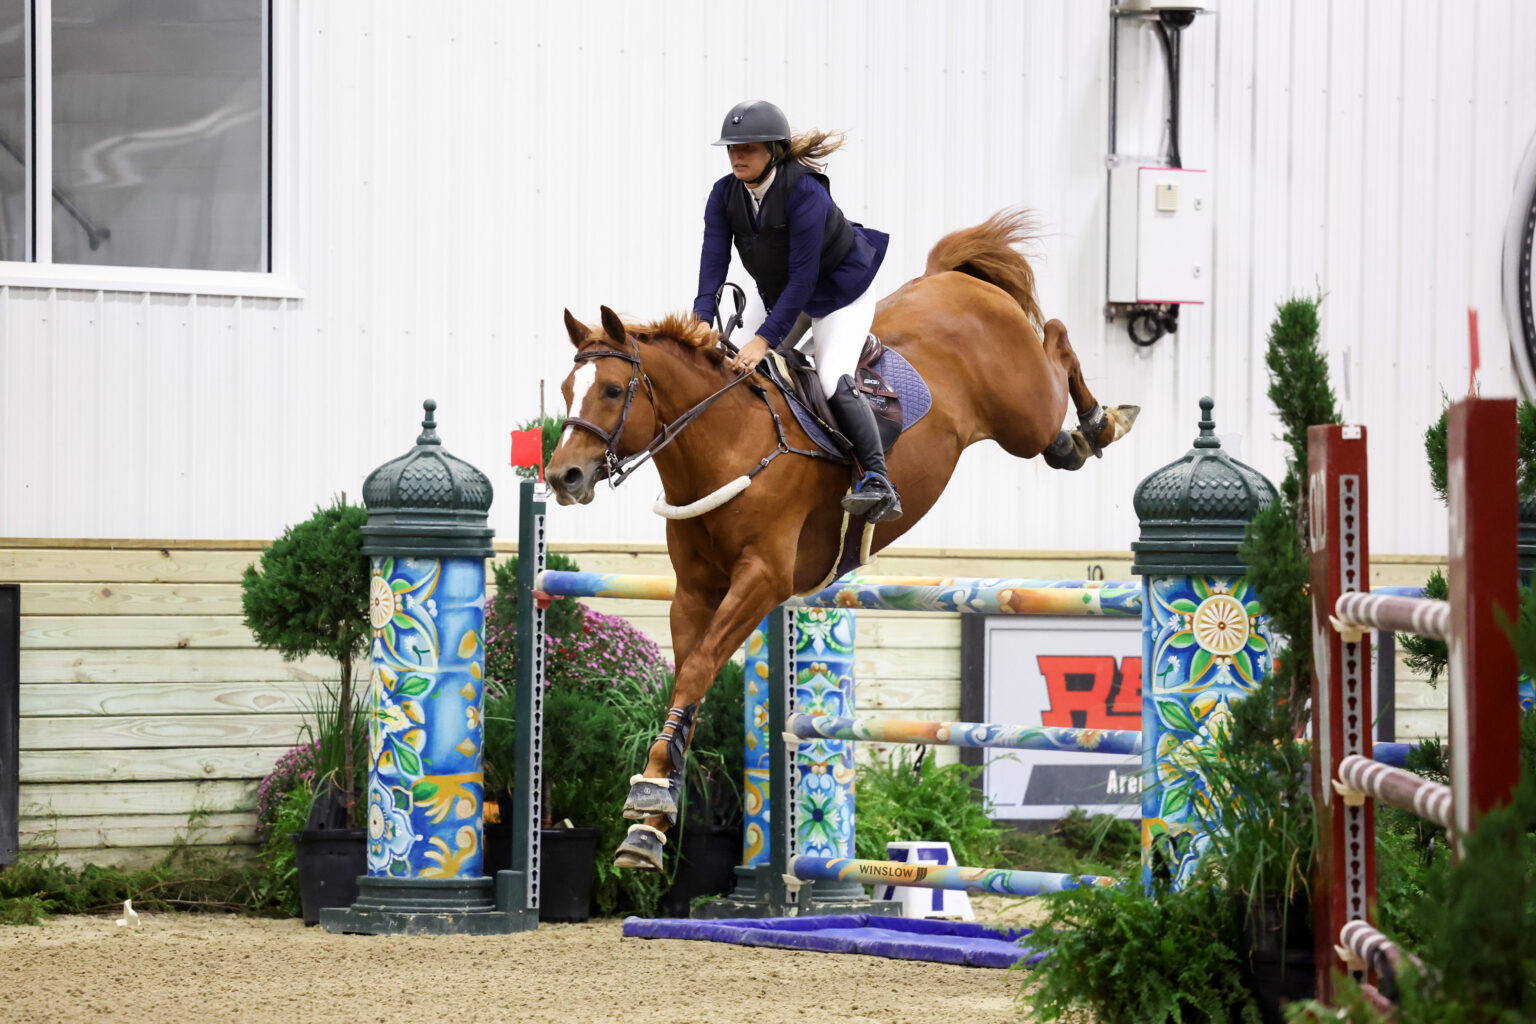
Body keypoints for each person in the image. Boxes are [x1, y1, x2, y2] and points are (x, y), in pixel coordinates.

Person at [692, 100, 901, 522]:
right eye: (732, 148)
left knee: (829, 379)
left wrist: (764, 339)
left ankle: (877, 479)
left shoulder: (805, 193)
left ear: (773, 150)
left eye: (748, 147)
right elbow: (713, 261)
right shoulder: (724, 194)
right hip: (781, 294)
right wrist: (701, 319)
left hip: (841, 291)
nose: (737, 156)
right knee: (731, 367)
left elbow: (804, 280)